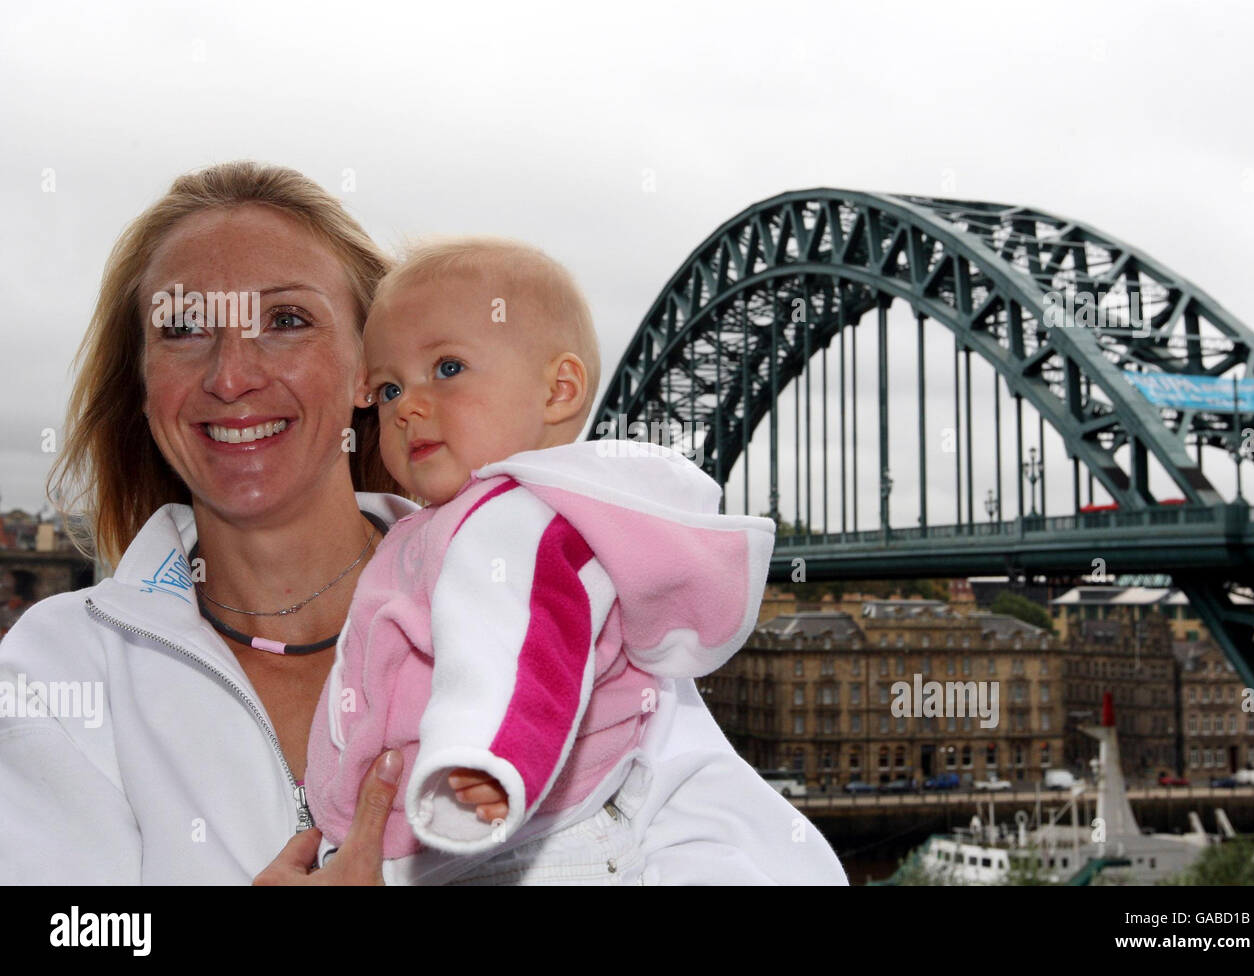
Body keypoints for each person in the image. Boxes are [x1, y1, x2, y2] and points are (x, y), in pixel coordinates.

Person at [0, 160, 847, 885]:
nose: (232, 374)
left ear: (368, 373)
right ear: (143, 382)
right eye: (184, 329)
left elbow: (752, 853)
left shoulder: (549, 591)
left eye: (287, 321)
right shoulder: (59, 664)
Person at [304, 238, 777, 882]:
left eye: (447, 368)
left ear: (559, 390)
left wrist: (489, 757)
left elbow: (518, 648)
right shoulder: (453, 524)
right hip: (487, 832)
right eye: (387, 388)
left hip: (526, 841)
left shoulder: (512, 518)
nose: (407, 406)